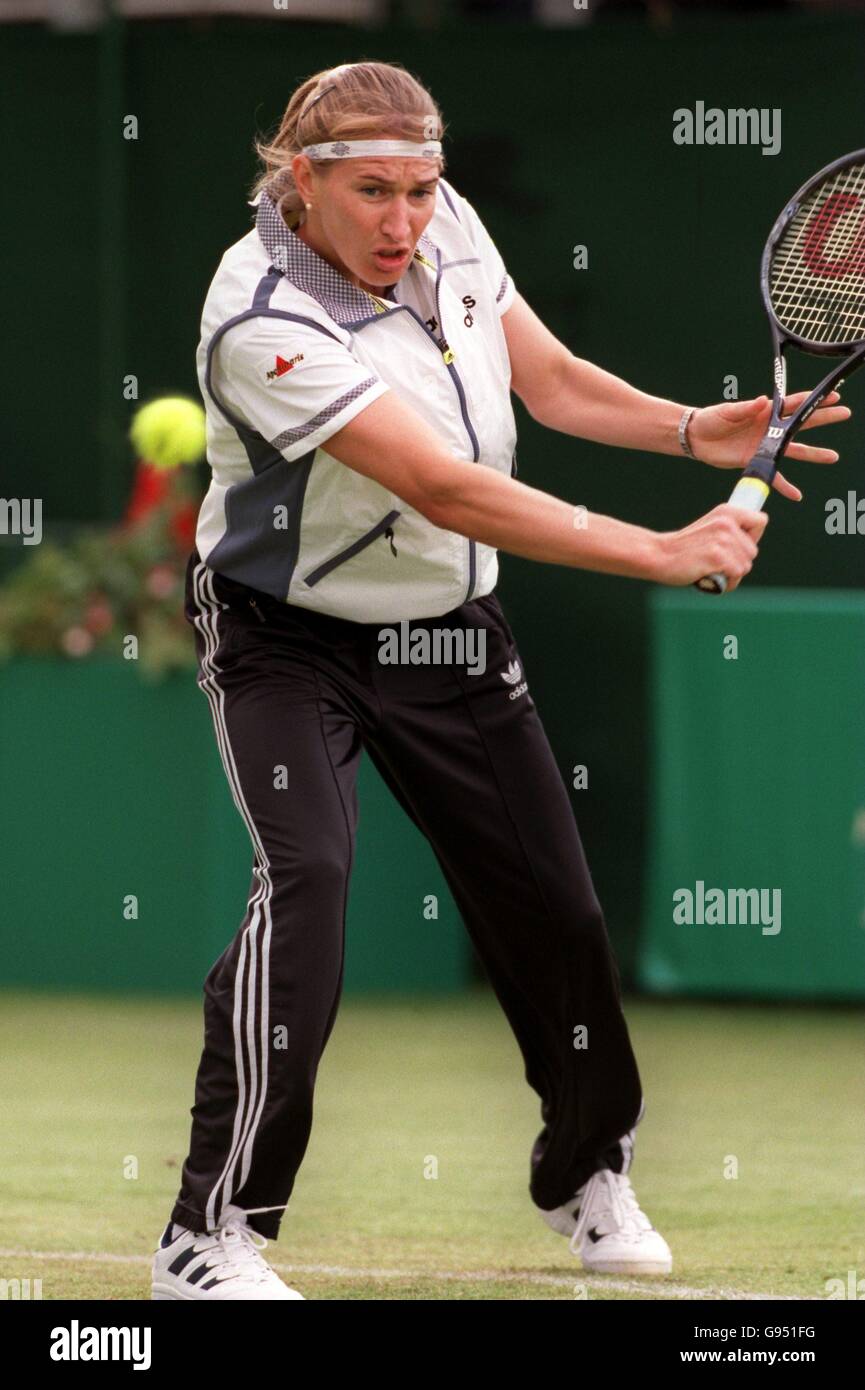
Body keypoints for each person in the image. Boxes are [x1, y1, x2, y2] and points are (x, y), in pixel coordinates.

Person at [150, 61, 847, 1301]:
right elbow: (445, 487)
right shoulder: (257, 317)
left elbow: (555, 383)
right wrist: (660, 550)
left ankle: (586, 1170)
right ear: (296, 184)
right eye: (371, 191)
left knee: (561, 919)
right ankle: (211, 1236)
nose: (403, 219)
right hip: (284, 640)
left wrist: (698, 427)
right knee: (306, 885)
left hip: (451, 634)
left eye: (421, 186)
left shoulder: (449, 231)